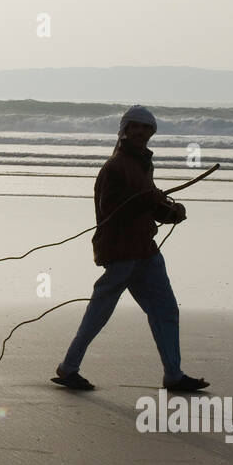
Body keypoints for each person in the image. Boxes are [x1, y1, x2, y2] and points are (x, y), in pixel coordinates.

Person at [52, 105, 210, 392]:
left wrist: (170, 213)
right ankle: (68, 368)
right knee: (99, 313)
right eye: (135, 126)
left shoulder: (142, 165)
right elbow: (111, 210)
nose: (140, 131)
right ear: (125, 130)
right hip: (122, 253)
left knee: (165, 311)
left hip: (145, 251)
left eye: (146, 127)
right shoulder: (114, 167)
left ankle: (173, 374)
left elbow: (147, 205)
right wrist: (150, 202)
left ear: (152, 132)